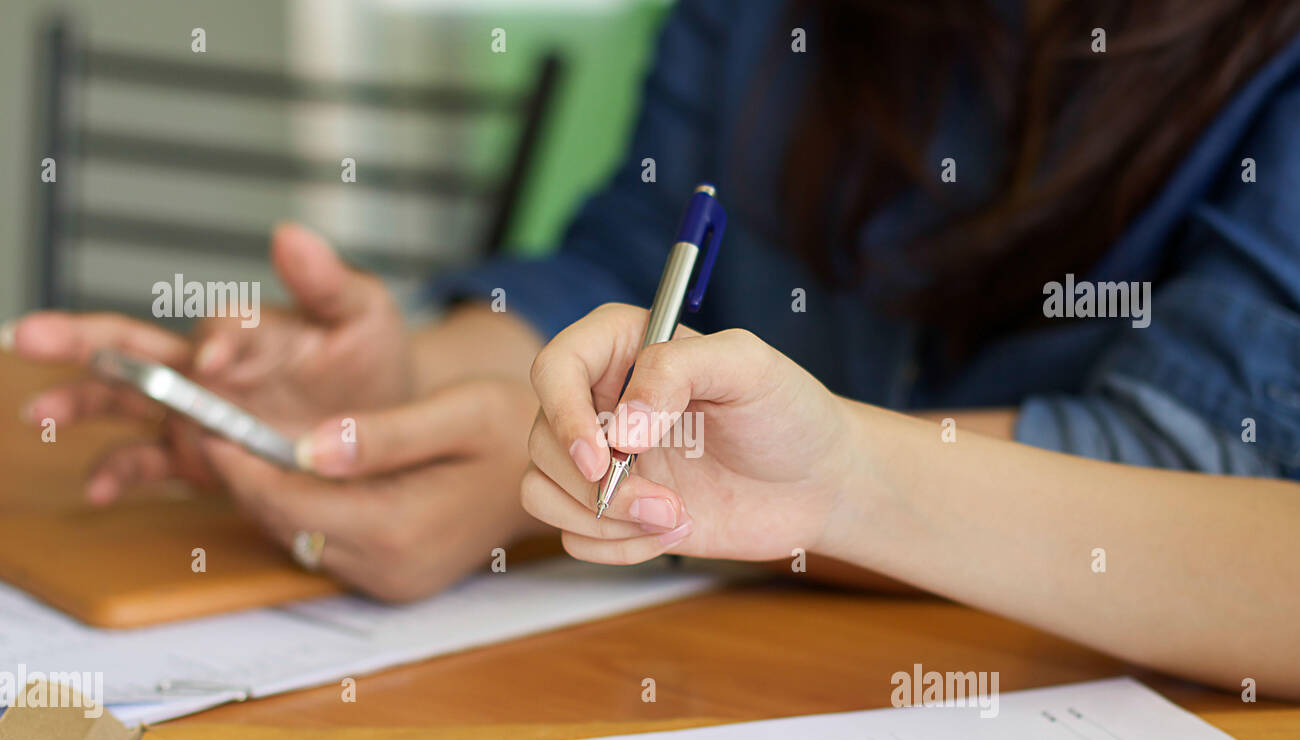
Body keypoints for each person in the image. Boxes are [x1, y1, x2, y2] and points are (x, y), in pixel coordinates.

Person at [6, 1, 1300, 681]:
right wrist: (407, 376)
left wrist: (794, 487)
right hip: (703, 666)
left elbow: (1194, 462)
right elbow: (613, 269)